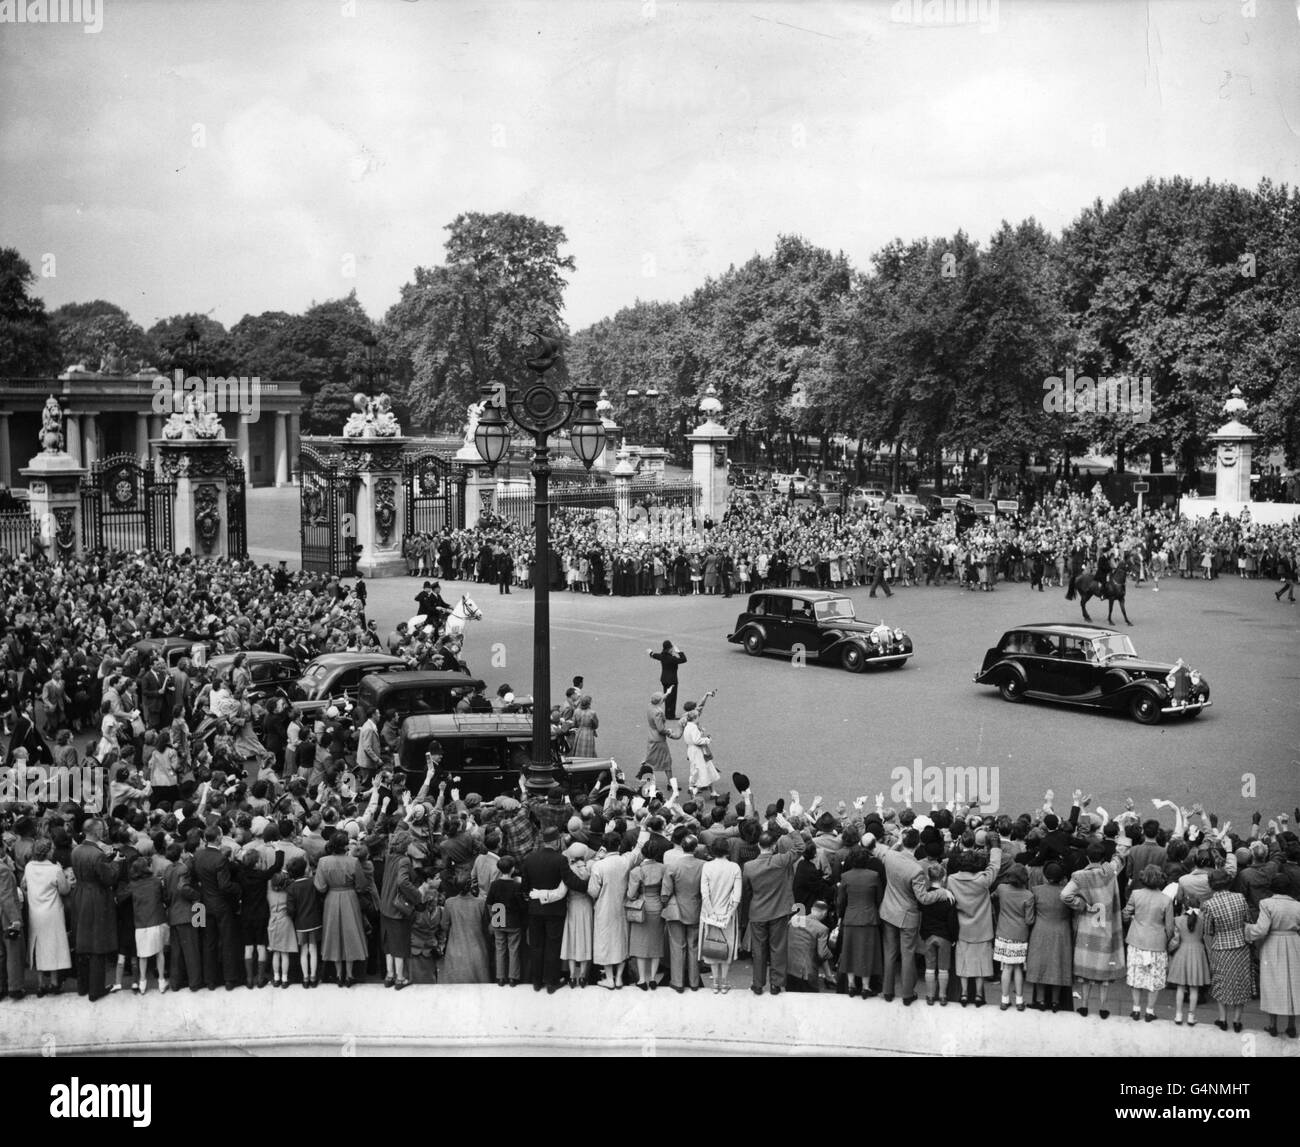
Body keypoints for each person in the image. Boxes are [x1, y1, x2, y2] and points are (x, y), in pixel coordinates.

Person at [1061, 842, 1125, 1018]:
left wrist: (1081, 905)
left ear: (1087, 857)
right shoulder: (1111, 872)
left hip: (1088, 928)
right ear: (1103, 858)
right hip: (1107, 927)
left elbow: (1065, 895)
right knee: (1104, 974)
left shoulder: (1080, 876)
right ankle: (1103, 1007)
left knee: (1086, 972)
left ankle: (1084, 1006)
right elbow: (1120, 856)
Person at [520, 823, 585, 993]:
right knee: (552, 945)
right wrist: (589, 885)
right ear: (557, 842)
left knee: (536, 945)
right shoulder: (560, 859)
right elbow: (571, 882)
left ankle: (536, 981)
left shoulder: (529, 859)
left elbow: (525, 887)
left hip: (534, 910)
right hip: (555, 911)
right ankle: (551, 982)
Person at [70, 819, 123, 1002]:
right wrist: (115, 863)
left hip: (80, 895)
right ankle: (96, 989)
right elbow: (109, 878)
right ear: (97, 831)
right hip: (96, 898)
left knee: (82, 942)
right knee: (97, 943)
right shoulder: (97, 854)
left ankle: (82, 987)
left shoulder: (76, 850)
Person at [949, 835, 1003, 1008]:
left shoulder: (951, 880)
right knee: (982, 962)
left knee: (963, 961)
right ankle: (979, 995)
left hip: (962, 927)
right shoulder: (982, 880)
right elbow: (995, 866)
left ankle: (964, 994)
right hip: (982, 928)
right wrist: (995, 847)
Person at [742, 830, 798, 995]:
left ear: (759, 845)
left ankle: (758, 984)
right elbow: (800, 848)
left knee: (758, 950)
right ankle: (776, 984)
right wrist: (791, 829)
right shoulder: (780, 860)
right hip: (778, 911)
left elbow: (747, 890)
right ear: (774, 846)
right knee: (777, 948)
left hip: (757, 911)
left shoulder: (749, 866)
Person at [1245, 873, 1300, 1038]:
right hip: (1294, 943)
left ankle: (1273, 1025)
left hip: (1273, 943)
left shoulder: (1266, 904)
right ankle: (1291, 1026)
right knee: (1293, 983)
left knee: (1272, 983)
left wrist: (1247, 929)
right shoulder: (1297, 905)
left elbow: (1261, 930)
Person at [314, 832, 370, 988]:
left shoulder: (323, 861)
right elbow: (361, 885)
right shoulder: (353, 862)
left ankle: (339, 974)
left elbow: (320, 886)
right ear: (345, 845)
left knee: (334, 934)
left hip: (331, 898)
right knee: (350, 934)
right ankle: (350, 974)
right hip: (349, 898)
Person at [1122, 864, 1175, 1022]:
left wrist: (1131, 919)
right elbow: (1170, 927)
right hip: (1157, 943)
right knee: (1154, 979)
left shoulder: (1136, 894)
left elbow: (1126, 914)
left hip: (1136, 940)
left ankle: (1136, 1009)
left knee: (1136, 977)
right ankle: (1150, 1011)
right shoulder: (1166, 900)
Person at [1203, 868, 1252, 1032]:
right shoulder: (1240, 897)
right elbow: (1248, 920)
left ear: (1211, 885)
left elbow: (1208, 930)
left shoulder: (1209, 904)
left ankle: (1222, 1019)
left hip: (1221, 947)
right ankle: (1237, 1021)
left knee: (1221, 983)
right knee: (1240, 983)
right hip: (1241, 946)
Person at [21, 837, 71, 996]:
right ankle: (55, 983)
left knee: (38, 947)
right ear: (48, 851)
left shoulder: (29, 867)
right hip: (53, 912)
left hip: (36, 911)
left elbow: (23, 885)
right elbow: (64, 890)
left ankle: (41, 984)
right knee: (53, 945)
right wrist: (66, 878)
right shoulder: (54, 869)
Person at [836, 845, 884, 998]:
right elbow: (879, 898)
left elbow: (841, 901)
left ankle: (851, 984)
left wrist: (840, 915)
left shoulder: (846, 877)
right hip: (869, 918)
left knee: (849, 951)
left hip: (851, 917)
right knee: (867, 953)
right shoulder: (874, 876)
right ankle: (865, 986)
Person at [1026, 861, 1073, 1012]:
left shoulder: (1036, 890)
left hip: (1041, 930)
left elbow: (1030, 915)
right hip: (1062, 931)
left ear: (1045, 876)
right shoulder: (1066, 892)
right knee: (1058, 964)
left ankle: (1039, 1000)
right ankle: (1055, 1001)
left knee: (1041, 964)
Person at [661, 833, 705, 993]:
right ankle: (694, 982)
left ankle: (678, 981)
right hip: (695, 908)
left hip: (676, 910)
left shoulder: (673, 866)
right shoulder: (703, 865)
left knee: (677, 946)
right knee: (693, 946)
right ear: (695, 848)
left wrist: (665, 904)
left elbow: (665, 891)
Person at [379, 831, 422, 991]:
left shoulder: (389, 857)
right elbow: (403, 881)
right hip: (397, 909)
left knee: (388, 944)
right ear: (406, 845)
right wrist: (417, 895)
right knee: (399, 944)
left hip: (385, 906)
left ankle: (389, 976)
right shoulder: (404, 860)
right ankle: (400, 978)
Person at [699, 837, 742, 993]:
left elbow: (704, 893)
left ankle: (715, 983)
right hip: (727, 915)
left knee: (711, 946)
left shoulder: (707, 867)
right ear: (727, 850)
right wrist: (729, 913)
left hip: (709, 914)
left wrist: (711, 913)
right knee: (726, 947)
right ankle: (724, 983)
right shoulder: (735, 867)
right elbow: (737, 896)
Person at [628, 835, 668, 990]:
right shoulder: (663, 868)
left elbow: (631, 894)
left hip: (641, 907)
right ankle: (652, 978)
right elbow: (666, 891)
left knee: (640, 944)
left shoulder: (636, 871)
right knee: (656, 943)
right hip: (657, 905)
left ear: (643, 853)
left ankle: (642, 979)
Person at [993, 862, 1035, 1011]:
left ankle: (1004, 1000)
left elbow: (993, 896)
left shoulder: (1002, 889)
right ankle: (1019, 1000)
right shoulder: (1028, 895)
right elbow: (1029, 920)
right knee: (1018, 968)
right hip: (1020, 934)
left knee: (1005, 967)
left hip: (1003, 932)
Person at [127, 856, 168, 995]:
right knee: (159, 953)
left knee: (142, 955)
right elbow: (164, 898)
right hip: (156, 920)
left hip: (140, 923)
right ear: (147, 868)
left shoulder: (132, 885)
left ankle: (142, 983)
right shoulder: (156, 882)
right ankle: (161, 981)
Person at [486, 854, 527, 987]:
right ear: (512, 869)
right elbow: (522, 905)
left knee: (500, 948)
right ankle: (513, 978)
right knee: (513, 949)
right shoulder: (516, 886)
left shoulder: (494, 885)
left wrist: (493, 918)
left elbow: (490, 902)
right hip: (513, 920)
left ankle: (500, 977)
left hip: (499, 918)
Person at [440, 877, 490, 984]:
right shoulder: (481, 903)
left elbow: (444, 925)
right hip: (478, 950)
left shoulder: (449, 903)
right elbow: (487, 925)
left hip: (455, 950)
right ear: (471, 887)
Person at [1167, 905, 1209, 1026]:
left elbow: (1175, 938)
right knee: (1194, 988)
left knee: (1180, 987)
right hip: (1198, 953)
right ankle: (1191, 1017)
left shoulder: (1178, 920)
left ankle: (1178, 1015)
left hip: (1182, 952)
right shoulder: (1203, 921)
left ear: (1184, 906)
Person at [286, 855, 322, 988]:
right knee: (313, 949)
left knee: (303, 950)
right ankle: (313, 977)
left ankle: (305, 978)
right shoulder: (312, 883)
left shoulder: (291, 888)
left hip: (300, 924)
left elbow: (290, 909)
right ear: (304, 869)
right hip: (314, 921)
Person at [641, 692, 682, 787]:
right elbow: (661, 729)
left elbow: (659, 699)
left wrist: (667, 693)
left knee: (649, 760)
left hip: (651, 736)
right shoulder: (658, 712)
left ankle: (645, 778)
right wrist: (669, 731)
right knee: (667, 761)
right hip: (659, 739)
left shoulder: (650, 706)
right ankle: (670, 782)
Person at [648, 640, 687, 719]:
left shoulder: (662, 656)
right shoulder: (672, 658)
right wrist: (679, 651)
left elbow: (654, 655)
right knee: (672, 698)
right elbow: (683, 659)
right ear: (670, 649)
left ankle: (667, 713)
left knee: (667, 696)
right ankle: (670, 715)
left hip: (664, 679)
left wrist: (650, 652)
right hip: (672, 680)